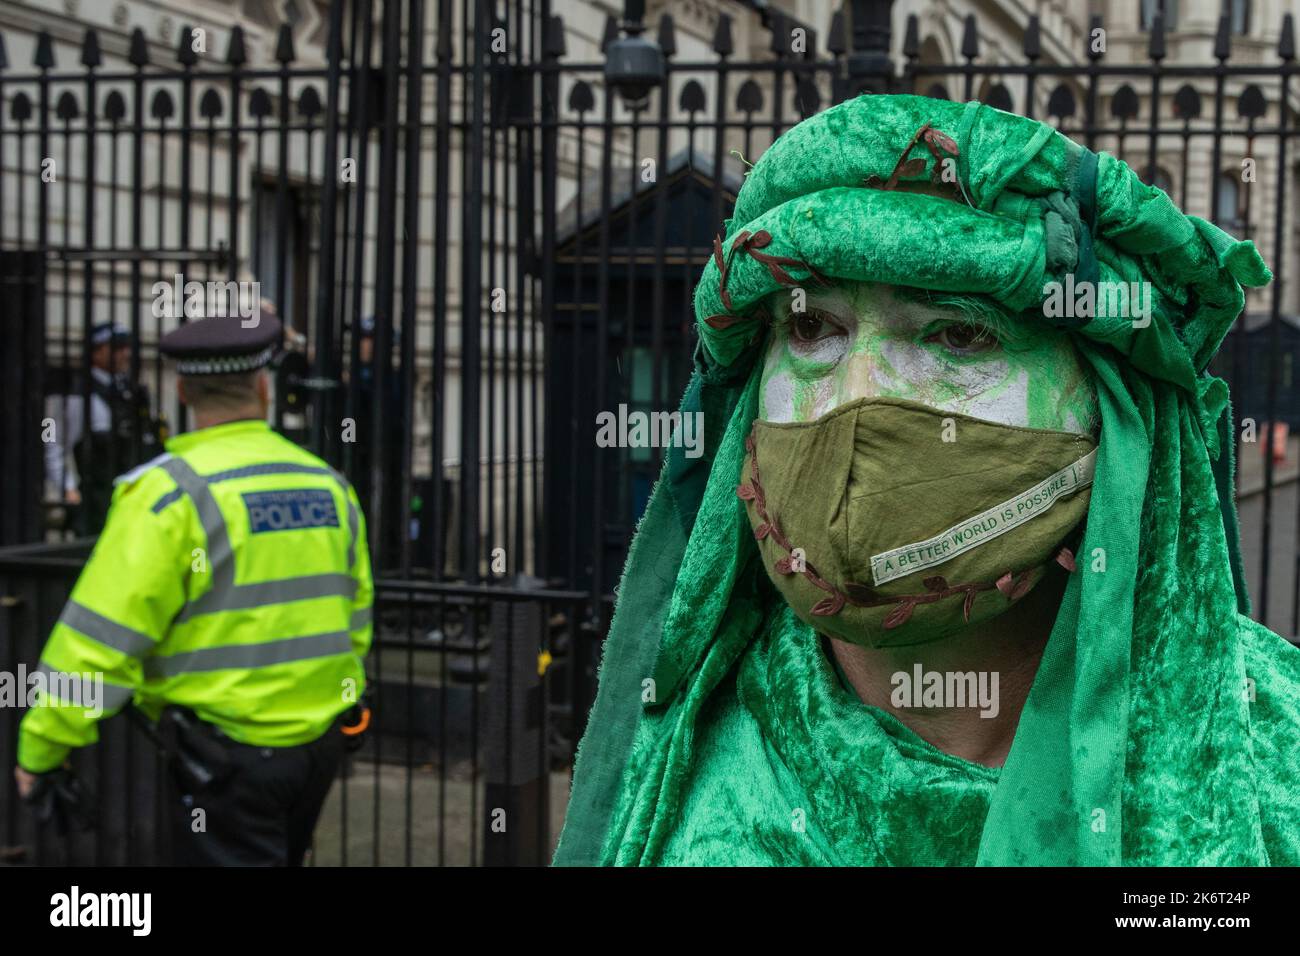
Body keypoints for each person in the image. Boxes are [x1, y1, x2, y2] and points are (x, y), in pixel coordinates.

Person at [553, 94, 1300, 865]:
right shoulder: (684, 747)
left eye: (961, 332)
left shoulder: (1281, 751)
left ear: (1112, 409)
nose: (858, 398)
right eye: (812, 328)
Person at [14, 310, 374, 866]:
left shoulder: (167, 496)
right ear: (263, 386)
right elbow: (355, 619)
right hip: (318, 746)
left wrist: (41, 749)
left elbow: (99, 640)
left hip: (227, 758)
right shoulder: (329, 486)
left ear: (183, 392)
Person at [44, 322, 164, 535]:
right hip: (98, 502)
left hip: (137, 496)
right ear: (96, 352)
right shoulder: (78, 393)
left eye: (126, 347)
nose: (125, 354)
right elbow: (52, 439)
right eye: (116, 348)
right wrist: (67, 488)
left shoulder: (131, 388)